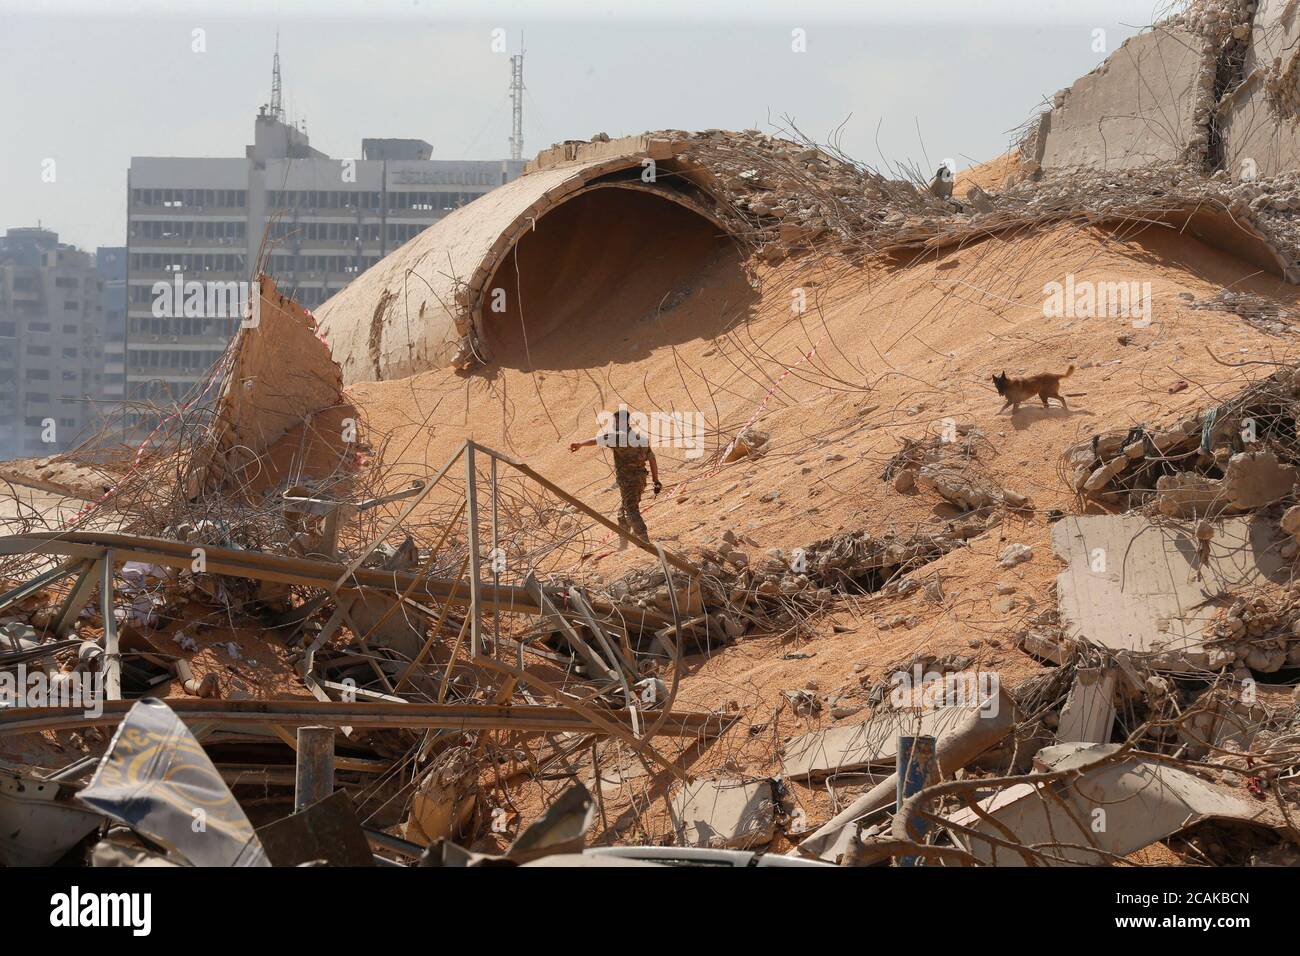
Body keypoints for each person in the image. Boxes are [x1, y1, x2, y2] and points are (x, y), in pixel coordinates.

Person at [569, 409, 661, 540]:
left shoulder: (617, 438)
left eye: (615, 421)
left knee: (631, 509)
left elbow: (596, 440)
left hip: (627, 480)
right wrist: (656, 480)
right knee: (625, 508)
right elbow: (652, 459)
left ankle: (642, 537)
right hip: (641, 479)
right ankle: (624, 537)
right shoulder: (641, 438)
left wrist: (580, 444)